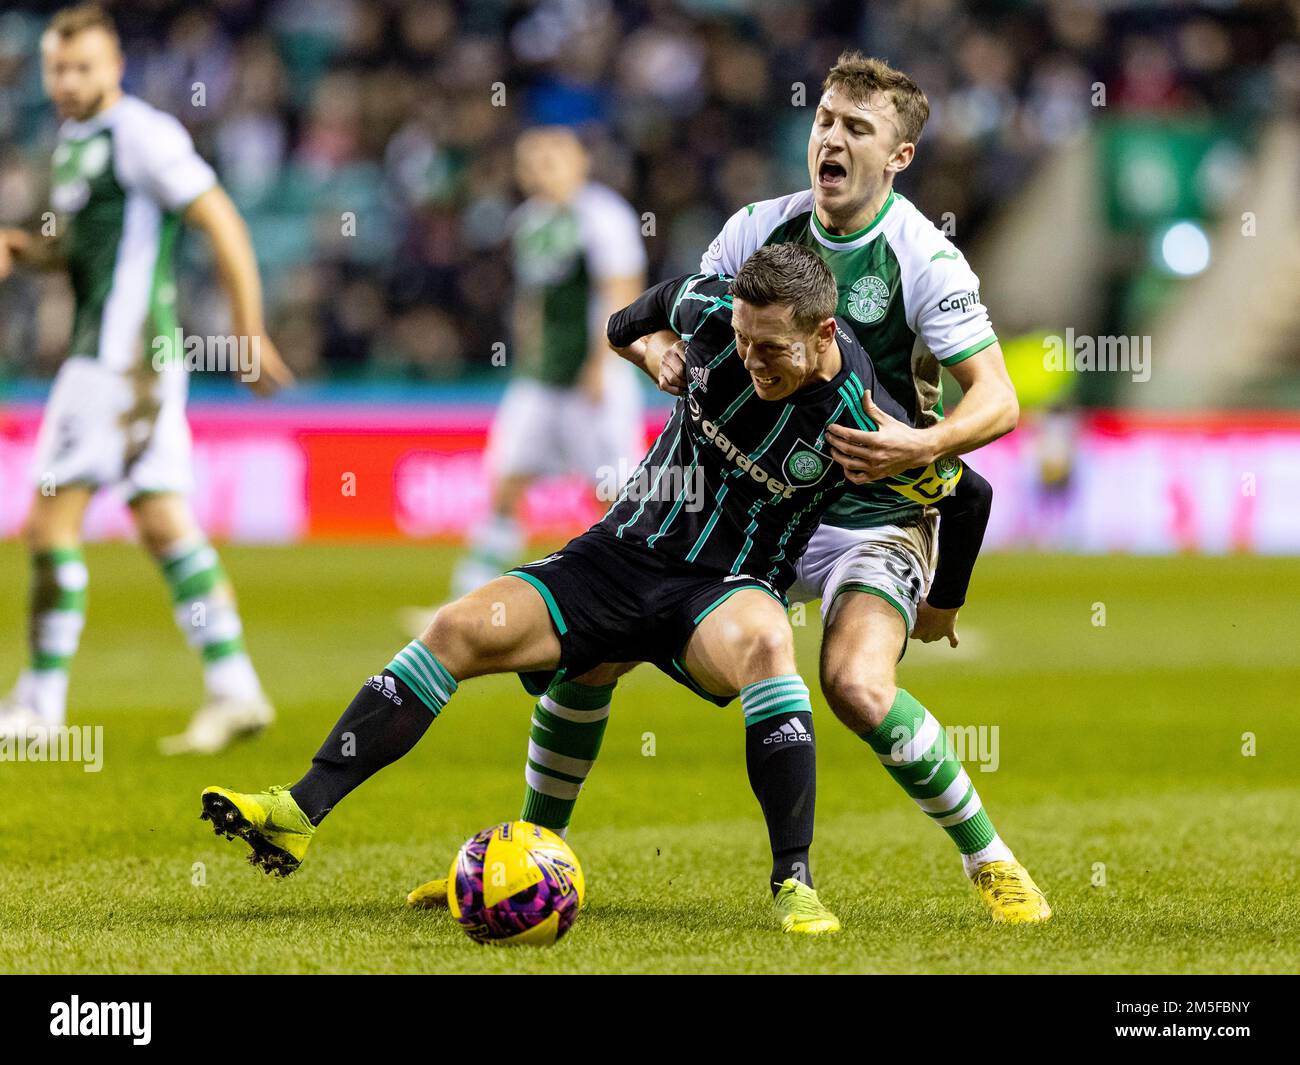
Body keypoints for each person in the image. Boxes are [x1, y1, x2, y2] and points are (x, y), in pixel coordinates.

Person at [414, 51, 1049, 924]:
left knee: (857, 687)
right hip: (757, 512)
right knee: (594, 644)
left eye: (857, 128)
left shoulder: (924, 258)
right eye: (826, 119)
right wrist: (651, 351)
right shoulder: (758, 227)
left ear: (899, 157)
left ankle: (992, 859)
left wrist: (920, 443)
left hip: (872, 512)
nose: (831, 137)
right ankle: (525, 858)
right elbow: (666, 321)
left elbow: (1000, 401)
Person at [200, 244, 957, 935]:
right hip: (619, 552)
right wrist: (654, 348)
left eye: (771, 347)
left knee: (768, 642)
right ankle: (299, 809)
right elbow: (630, 317)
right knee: (460, 625)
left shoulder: (863, 415)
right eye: (742, 336)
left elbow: (967, 492)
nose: (750, 356)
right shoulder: (711, 308)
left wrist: (940, 599)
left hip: (725, 587)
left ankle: (794, 880)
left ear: (825, 334)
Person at [0, 4, 294, 754]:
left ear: (116, 67)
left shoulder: (142, 135)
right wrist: (23, 251)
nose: (67, 81)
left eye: (83, 67)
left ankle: (38, 707)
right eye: (56, 68)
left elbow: (220, 218)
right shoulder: (73, 142)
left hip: (118, 361)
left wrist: (248, 330)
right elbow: (76, 251)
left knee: (47, 525)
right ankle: (234, 687)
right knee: (164, 523)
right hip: (136, 365)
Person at [401, 126, 647, 633]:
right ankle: (465, 606)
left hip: (592, 381)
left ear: (580, 161)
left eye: (553, 158)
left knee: (614, 494)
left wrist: (604, 365)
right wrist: (530, 356)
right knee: (507, 483)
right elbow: (533, 302)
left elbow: (622, 292)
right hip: (541, 380)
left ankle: (641, 600)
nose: (541, 169)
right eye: (531, 160)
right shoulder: (531, 221)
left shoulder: (604, 216)